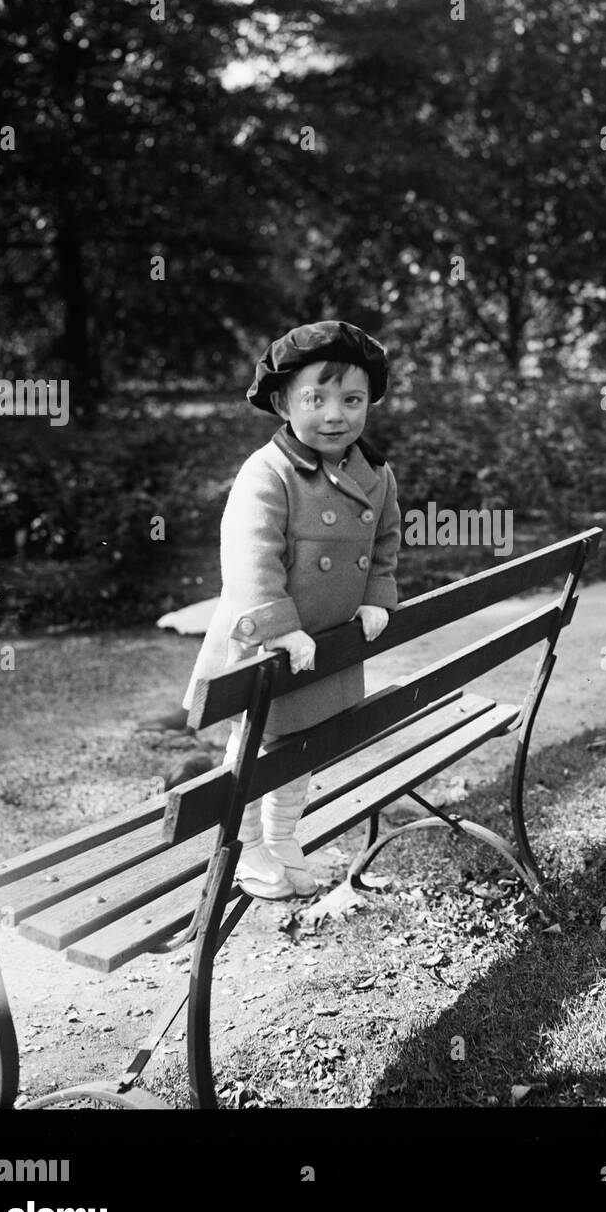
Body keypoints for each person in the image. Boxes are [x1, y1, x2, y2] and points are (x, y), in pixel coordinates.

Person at [182, 320, 401, 899]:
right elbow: (251, 557)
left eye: (352, 400)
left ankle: (281, 838)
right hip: (267, 645)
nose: (336, 415)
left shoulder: (374, 474)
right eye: (317, 398)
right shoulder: (269, 472)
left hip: (324, 645)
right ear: (282, 402)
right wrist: (281, 630)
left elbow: (385, 542)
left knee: (302, 747)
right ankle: (247, 847)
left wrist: (378, 595)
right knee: (254, 745)